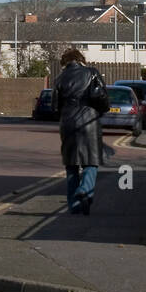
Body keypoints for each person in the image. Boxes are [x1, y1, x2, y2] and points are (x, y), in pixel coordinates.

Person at [53, 48, 109, 215]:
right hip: (89, 123)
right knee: (90, 163)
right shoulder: (92, 73)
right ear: (80, 59)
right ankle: (85, 189)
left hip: (68, 124)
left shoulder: (59, 79)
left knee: (71, 166)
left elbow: (55, 107)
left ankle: (75, 206)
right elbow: (104, 100)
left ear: (65, 62)